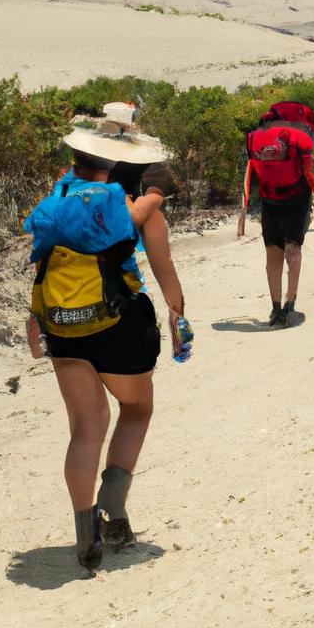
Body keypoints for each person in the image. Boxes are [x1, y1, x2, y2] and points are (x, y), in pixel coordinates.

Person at [24, 113, 188, 573]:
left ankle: (85, 540)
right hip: (118, 324)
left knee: (85, 427)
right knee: (136, 409)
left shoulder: (58, 198)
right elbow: (163, 266)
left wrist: (36, 318)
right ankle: (114, 515)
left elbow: (43, 261)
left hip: (62, 322)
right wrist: (178, 312)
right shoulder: (137, 205)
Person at [239, 105, 314, 326]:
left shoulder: (258, 137)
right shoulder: (300, 138)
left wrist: (243, 210)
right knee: (293, 249)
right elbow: (309, 172)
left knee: (272, 252)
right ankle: (290, 306)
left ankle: (275, 309)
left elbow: (250, 172)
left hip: (269, 200)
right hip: (296, 199)